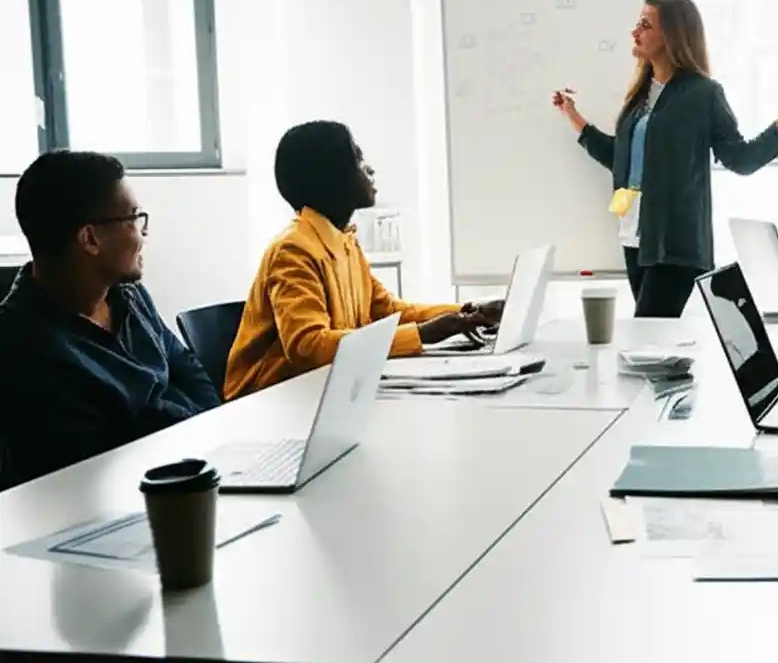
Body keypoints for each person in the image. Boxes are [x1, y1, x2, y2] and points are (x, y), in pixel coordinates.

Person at [552, 0, 778, 318]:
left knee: (647, 332)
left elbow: (741, 158)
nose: (634, 31)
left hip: (676, 244)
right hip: (633, 236)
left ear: (671, 34)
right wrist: (573, 116)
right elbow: (619, 159)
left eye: (644, 24)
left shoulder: (703, 93)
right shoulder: (639, 96)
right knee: (654, 346)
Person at [223, 121, 503, 400]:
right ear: (330, 177)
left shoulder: (343, 241)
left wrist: (467, 313)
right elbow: (308, 346)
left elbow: (387, 310)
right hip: (268, 402)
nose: (369, 169)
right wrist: (425, 333)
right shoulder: (293, 250)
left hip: (323, 390)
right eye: (357, 159)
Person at [0, 151, 220, 491]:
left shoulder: (130, 297)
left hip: (188, 478)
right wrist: (173, 418)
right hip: (111, 514)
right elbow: (108, 461)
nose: (143, 234)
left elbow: (190, 374)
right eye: (133, 219)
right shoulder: (23, 344)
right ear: (90, 239)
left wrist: (176, 419)